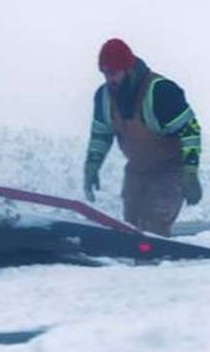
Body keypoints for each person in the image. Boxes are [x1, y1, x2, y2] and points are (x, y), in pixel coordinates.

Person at [83, 38, 202, 236]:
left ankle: (157, 265)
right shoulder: (104, 97)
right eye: (105, 73)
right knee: (131, 228)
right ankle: (134, 267)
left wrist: (190, 174)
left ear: (128, 69)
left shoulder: (161, 92)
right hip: (137, 170)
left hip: (170, 169)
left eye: (114, 73)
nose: (109, 79)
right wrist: (92, 167)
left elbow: (190, 130)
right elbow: (100, 135)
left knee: (154, 226)